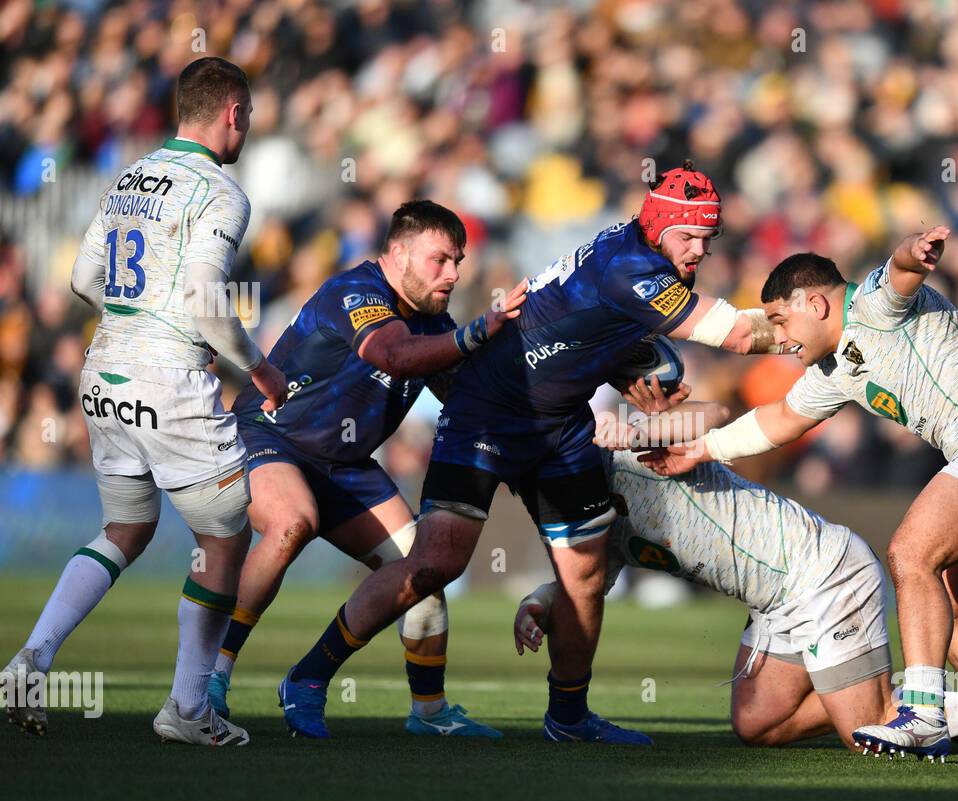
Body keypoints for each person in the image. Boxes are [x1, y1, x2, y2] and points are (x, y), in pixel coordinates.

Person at [280, 163, 782, 742]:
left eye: (707, 239)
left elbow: (585, 328)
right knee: (436, 563)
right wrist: (831, 322)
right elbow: (743, 336)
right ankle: (309, 677)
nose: (698, 250)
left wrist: (621, 370)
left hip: (560, 423)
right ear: (661, 224)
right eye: (688, 236)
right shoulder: (631, 269)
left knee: (585, 574)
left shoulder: (639, 256)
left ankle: (568, 717)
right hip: (488, 411)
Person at [645, 228, 958, 761]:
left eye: (781, 320)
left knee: (909, 554)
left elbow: (898, 276)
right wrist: (703, 449)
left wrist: (912, 254)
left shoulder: (872, 305)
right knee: (946, 601)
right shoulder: (833, 371)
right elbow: (781, 419)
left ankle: (921, 713)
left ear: (816, 302)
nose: (778, 338)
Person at [565, 367, 958, 758]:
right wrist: (543, 602)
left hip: (819, 573)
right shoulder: (592, 521)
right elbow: (584, 583)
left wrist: (641, 428)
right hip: (777, 601)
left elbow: (716, 413)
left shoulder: (628, 456)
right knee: (759, 725)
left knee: (866, 730)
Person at [2, 57, 287, 745]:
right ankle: (188, 709)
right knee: (225, 538)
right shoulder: (219, 190)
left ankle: (28, 661)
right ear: (232, 114)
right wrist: (259, 370)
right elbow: (204, 300)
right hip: (169, 381)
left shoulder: (129, 176)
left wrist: (139, 321)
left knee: (125, 530)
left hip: (105, 371)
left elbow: (80, 277)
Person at [209, 200, 524, 738]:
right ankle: (210, 675)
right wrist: (478, 332)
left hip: (345, 465)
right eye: (439, 260)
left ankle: (419, 708)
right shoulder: (354, 293)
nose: (452, 274)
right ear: (397, 253)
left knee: (424, 570)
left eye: (458, 261)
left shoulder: (434, 322)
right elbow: (394, 356)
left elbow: (465, 398)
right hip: (272, 436)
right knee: (291, 522)